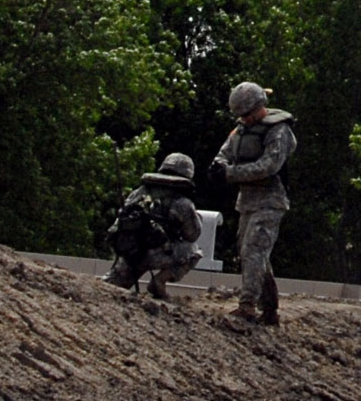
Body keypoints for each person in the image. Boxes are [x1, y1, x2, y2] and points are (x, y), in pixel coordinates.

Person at [213, 80, 295, 325]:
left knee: (254, 250)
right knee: (253, 252)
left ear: (260, 107)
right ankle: (269, 309)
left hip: (270, 200)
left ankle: (247, 305)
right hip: (247, 201)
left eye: (248, 114)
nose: (245, 119)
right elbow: (224, 153)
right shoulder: (240, 131)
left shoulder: (279, 131)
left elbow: (269, 166)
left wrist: (230, 174)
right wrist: (218, 168)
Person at [105, 152, 204, 299]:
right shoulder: (182, 202)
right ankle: (160, 280)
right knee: (194, 251)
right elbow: (192, 235)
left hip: (131, 254)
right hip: (160, 253)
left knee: (109, 288)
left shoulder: (139, 193)